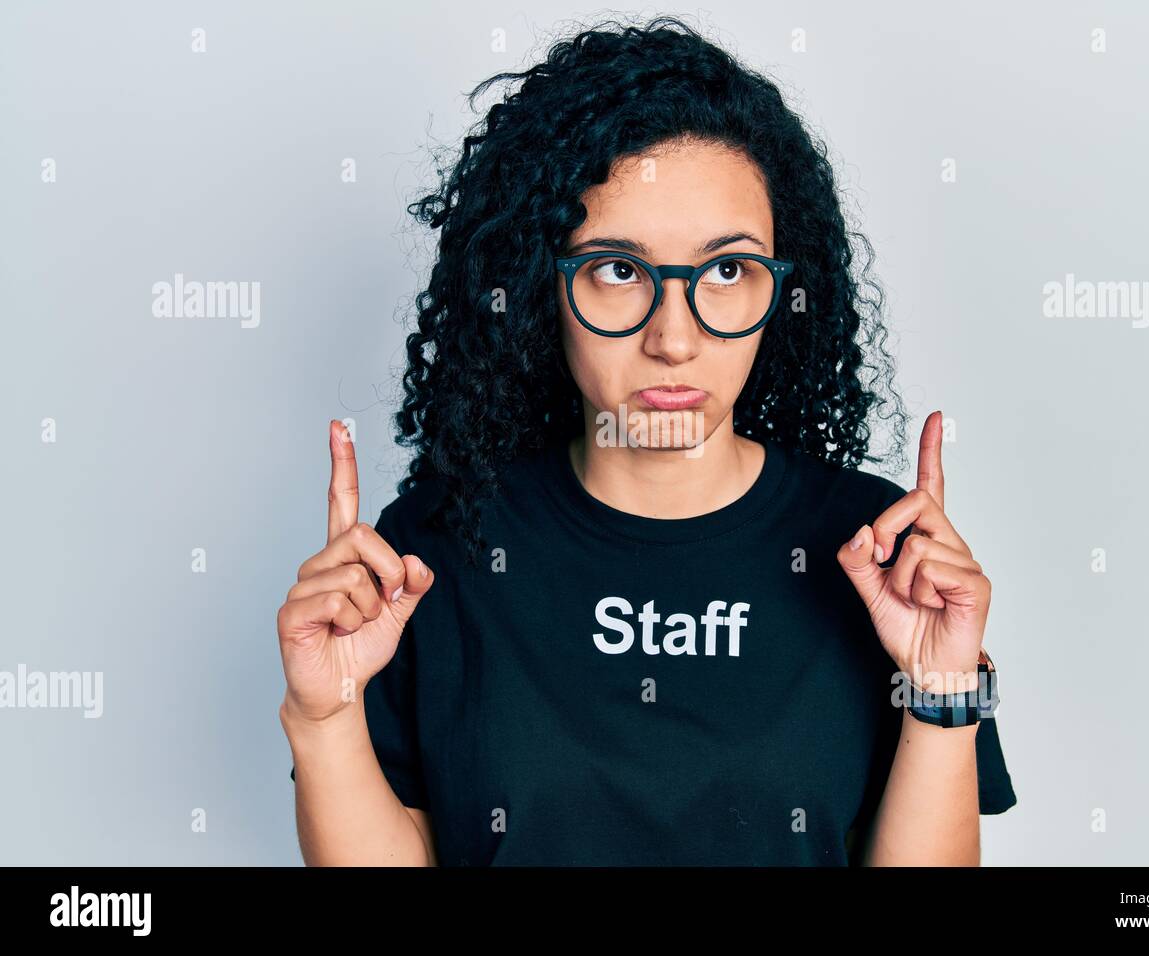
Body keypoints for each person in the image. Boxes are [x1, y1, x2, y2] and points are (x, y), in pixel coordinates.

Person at [277, 15, 1016, 867]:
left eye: (729, 271)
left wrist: (940, 691)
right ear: (538, 287)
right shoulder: (429, 552)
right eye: (619, 269)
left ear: (784, 284)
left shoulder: (877, 552)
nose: (674, 335)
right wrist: (323, 717)